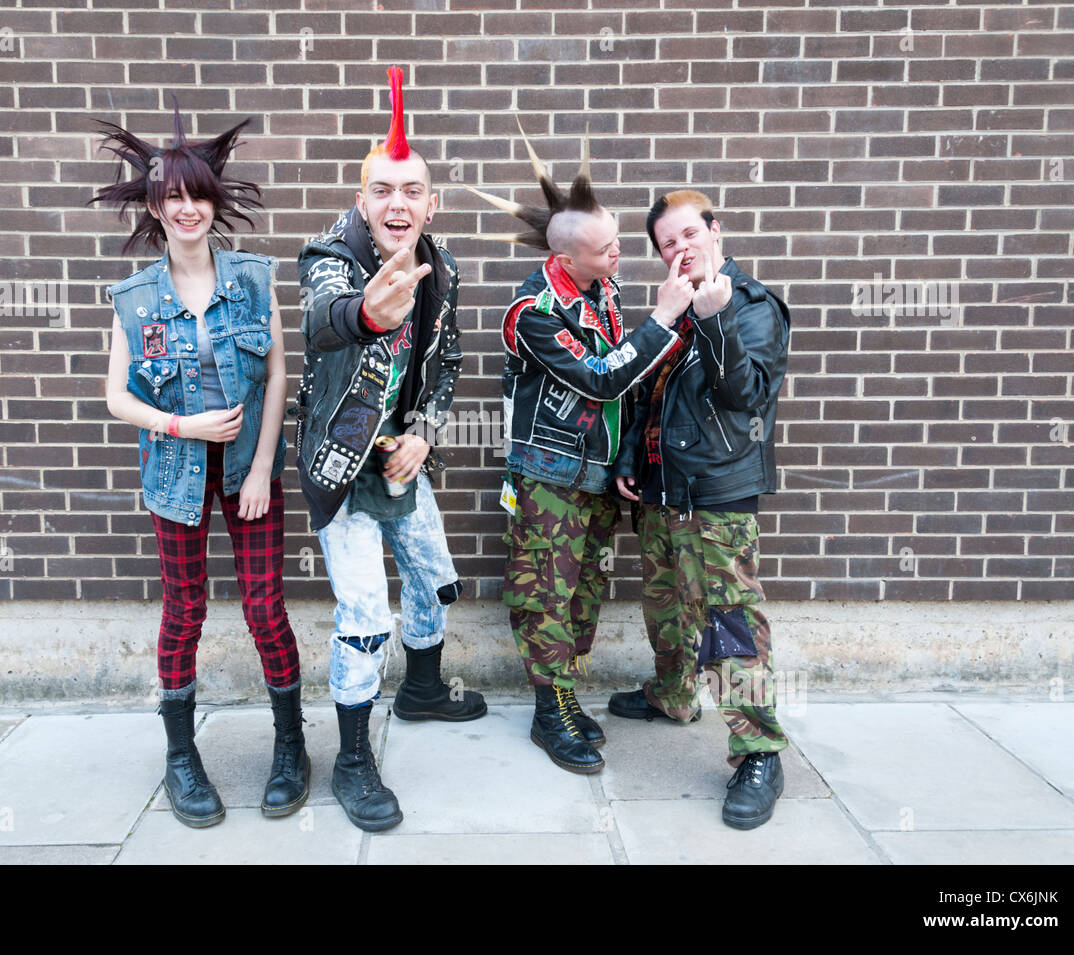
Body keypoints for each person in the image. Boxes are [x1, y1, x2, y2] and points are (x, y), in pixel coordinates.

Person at [93, 103, 308, 829]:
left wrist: (259, 471)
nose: (187, 208)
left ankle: (290, 745)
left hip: (248, 467)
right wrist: (180, 422)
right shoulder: (134, 296)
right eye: (173, 196)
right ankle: (181, 756)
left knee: (263, 607)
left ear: (214, 200)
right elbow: (117, 395)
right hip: (175, 472)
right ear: (155, 205)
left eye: (198, 194)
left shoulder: (251, 277)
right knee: (184, 612)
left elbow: (278, 373)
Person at [465, 127, 696, 774]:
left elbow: (629, 385)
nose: (622, 252)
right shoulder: (533, 311)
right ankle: (549, 713)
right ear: (569, 258)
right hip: (550, 475)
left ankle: (565, 698)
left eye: (619, 239)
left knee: (586, 590)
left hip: (598, 475)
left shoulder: (606, 290)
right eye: (607, 248)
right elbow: (601, 377)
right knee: (545, 591)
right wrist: (663, 320)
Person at [295, 67, 485, 832]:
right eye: (384, 190)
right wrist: (367, 315)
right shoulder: (331, 255)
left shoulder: (444, 268)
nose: (398, 203)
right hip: (342, 471)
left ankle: (424, 691)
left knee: (437, 584)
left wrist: (426, 431)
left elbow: (449, 364)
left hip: (402, 464)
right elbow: (322, 315)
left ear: (430, 203)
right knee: (366, 614)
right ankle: (350, 757)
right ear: (361, 196)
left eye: (413, 191)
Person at [611, 189, 792, 829]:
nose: (680, 249)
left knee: (728, 625)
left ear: (715, 230)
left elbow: (744, 395)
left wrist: (715, 319)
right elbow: (648, 397)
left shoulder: (750, 306)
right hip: (664, 490)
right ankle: (673, 694)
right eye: (667, 243)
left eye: (689, 234)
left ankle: (759, 752)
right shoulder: (676, 308)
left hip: (717, 495)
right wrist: (633, 455)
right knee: (665, 606)